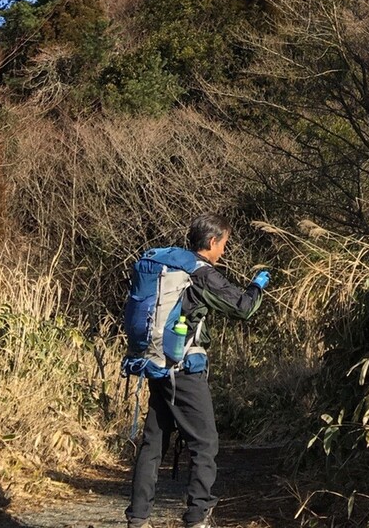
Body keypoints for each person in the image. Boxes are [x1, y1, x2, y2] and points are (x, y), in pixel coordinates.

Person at [126, 213, 269, 528]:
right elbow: (243, 308)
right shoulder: (200, 273)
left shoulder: (168, 264)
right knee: (205, 443)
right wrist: (259, 285)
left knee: (155, 440)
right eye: (224, 245)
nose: (224, 253)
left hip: (157, 365)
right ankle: (196, 517)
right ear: (213, 241)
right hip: (184, 369)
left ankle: (137, 519)